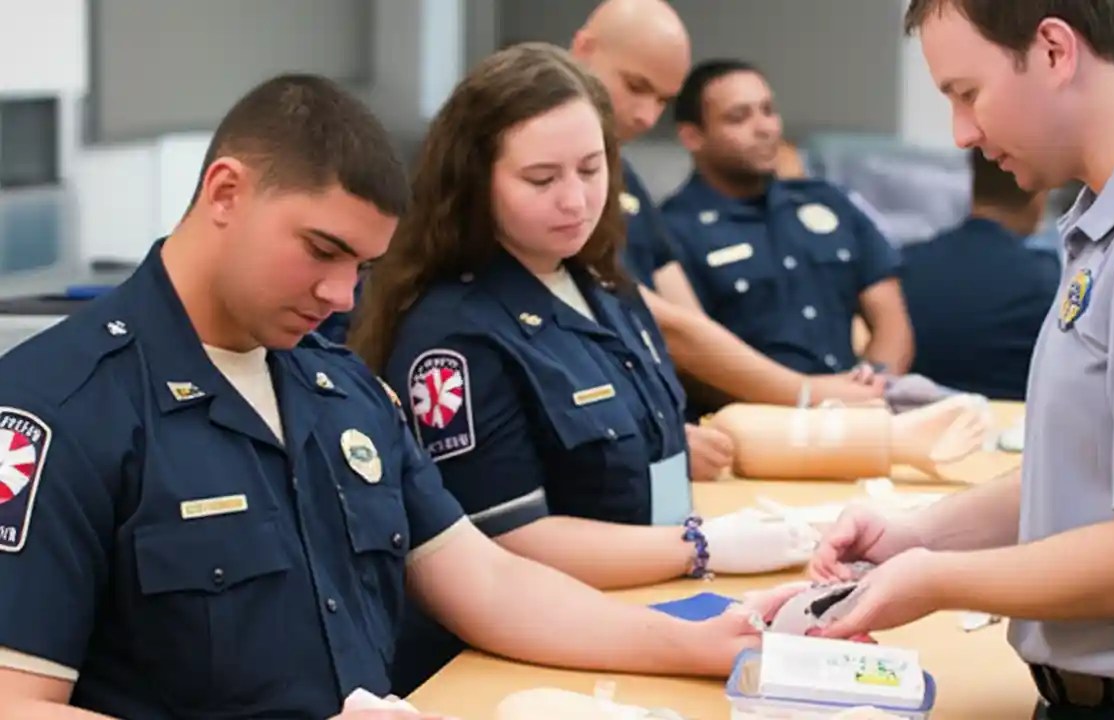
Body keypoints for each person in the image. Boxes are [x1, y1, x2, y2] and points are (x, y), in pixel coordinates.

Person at [0, 73, 765, 720]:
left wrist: (697, 642)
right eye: (322, 251)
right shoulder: (61, 408)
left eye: (362, 267)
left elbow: (489, 583)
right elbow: (16, 701)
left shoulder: (340, 391)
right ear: (225, 192)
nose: (339, 297)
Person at [810, 1, 1114, 717]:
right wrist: (917, 536)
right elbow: (1100, 470)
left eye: (968, 94)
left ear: (1056, 50)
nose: (963, 133)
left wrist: (938, 581)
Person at [349, 42, 817, 695]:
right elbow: (508, 544)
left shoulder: (603, 285)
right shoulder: (452, 334)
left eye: (592, 169)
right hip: (541, 649)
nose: (575, 199)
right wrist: (703, 544)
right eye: (542, 180)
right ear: (476, 182)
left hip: (660, 604)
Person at [566, 0, 886, 418]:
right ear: (584, 49)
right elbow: (660, 322)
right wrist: (803, 393)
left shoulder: (625, 176)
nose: (646, 117)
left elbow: (689, 321)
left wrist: (862, 381)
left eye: (662, 99)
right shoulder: (574, 178)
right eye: (636, 86)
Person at [662, 59, 916, 383]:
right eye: (739, 117)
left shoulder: (829, 201)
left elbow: (891, 321)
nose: (765, 128)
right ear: (692, 136)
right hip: (751, 419)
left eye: (768, 111)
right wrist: (807, 400)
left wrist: (876, 382)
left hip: (854, 410)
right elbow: (692, 358)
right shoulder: (672, 230)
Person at [900, 148, 1060, 400]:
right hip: (1016, 430)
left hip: (919, 427)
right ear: (1041, 196)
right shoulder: (1050, 281)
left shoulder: (903, 266)